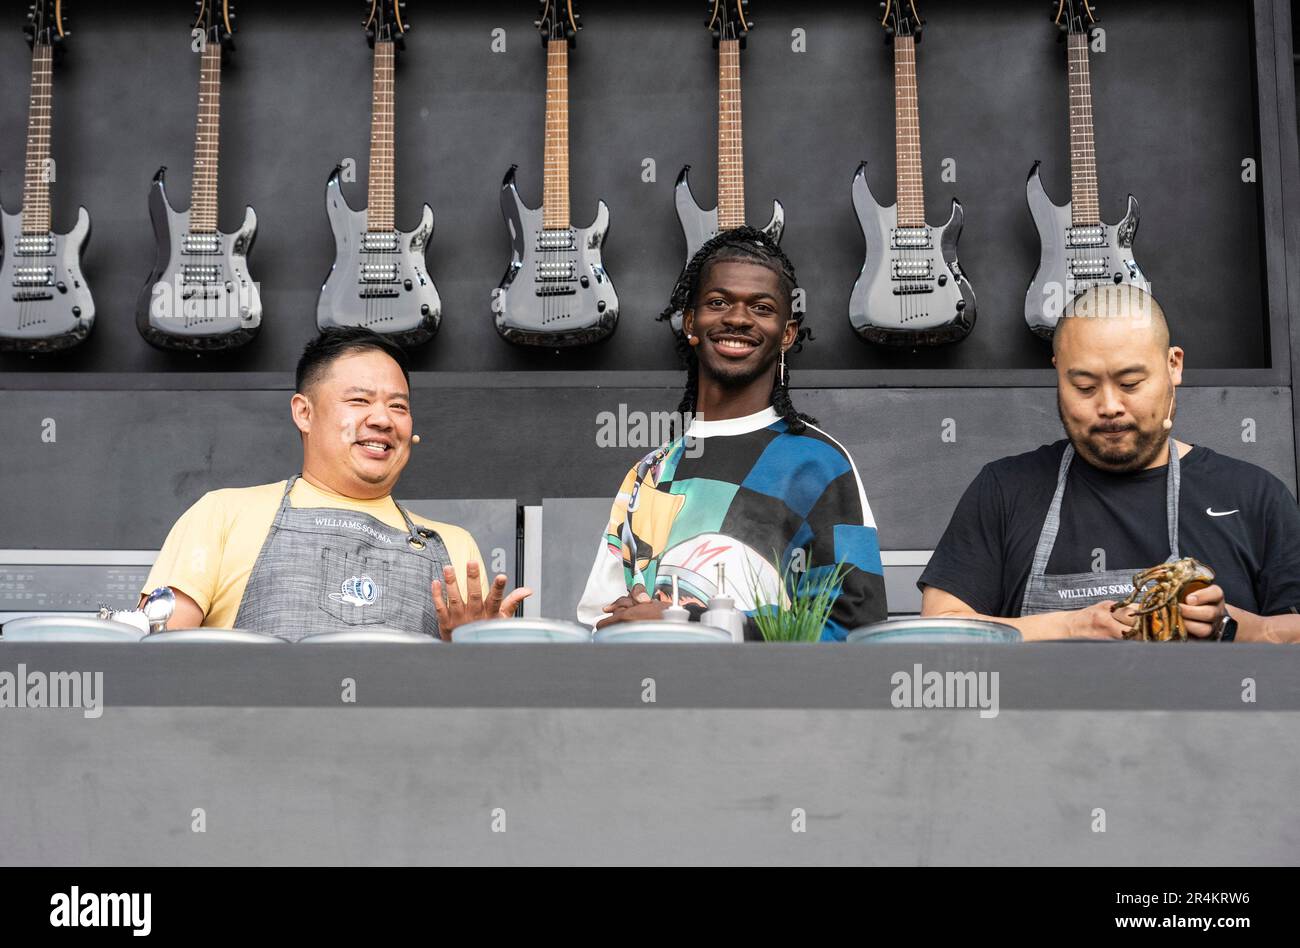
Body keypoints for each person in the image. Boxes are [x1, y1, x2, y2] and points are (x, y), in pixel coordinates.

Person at [920, 284, 1300, 642]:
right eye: (1084, 387)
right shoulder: (1005, 488)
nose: (1109, 406)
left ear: (1173, 366)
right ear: (1058, 374)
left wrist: (1230, 627)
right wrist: (1070, 626)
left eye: (1130, 383)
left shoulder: (1253, 496)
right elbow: (940, 627)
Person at [577, 227, 888, 639]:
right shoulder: (650, 472)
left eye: (761, 307)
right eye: (718, 302)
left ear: (787, 334)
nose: (738, 318)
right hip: (655, 698)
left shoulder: (818, 463)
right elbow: (601, 624)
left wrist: (687, 625)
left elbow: (853, 626)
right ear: (690, 322)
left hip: (762, 701)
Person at [140, 328, 529, 639]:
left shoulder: (453, 546)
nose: (382, 419)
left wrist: (468, 647)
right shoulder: (223, 515)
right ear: (304, 412)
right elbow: (157, 666)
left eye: (399, 406)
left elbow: (486, 709)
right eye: (359, 400)